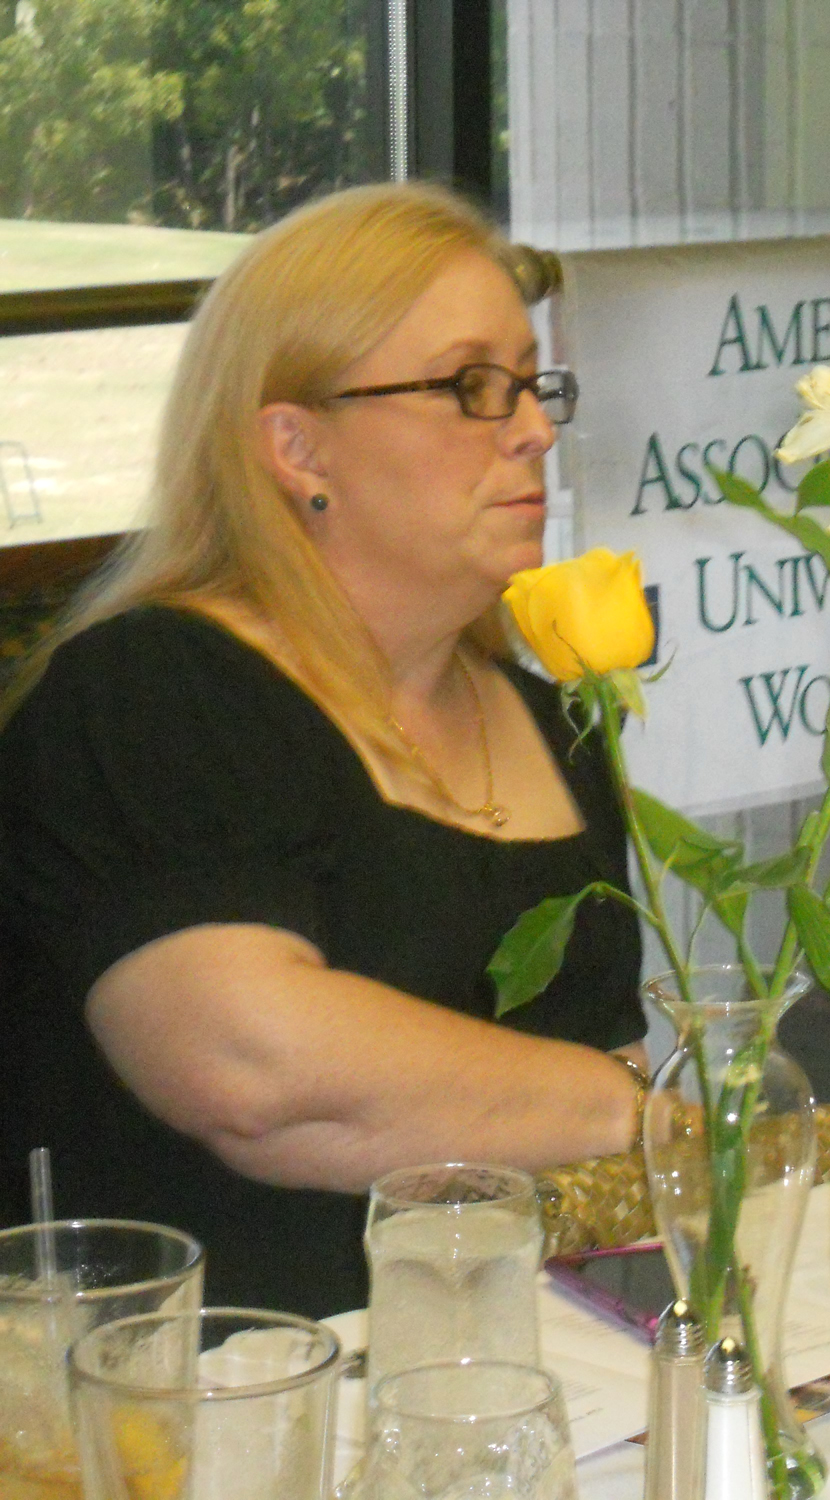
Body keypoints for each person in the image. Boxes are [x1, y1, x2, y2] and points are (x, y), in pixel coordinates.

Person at [0, 184, 647, 1317]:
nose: (534, 430)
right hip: (195, 1388)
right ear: (298, 448)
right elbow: (254, 1074)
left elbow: (601, 1117)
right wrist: (633, 1110)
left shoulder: (555, 723)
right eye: (469, 386)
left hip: (512, 1369)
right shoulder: (151, 694)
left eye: (532, 383)